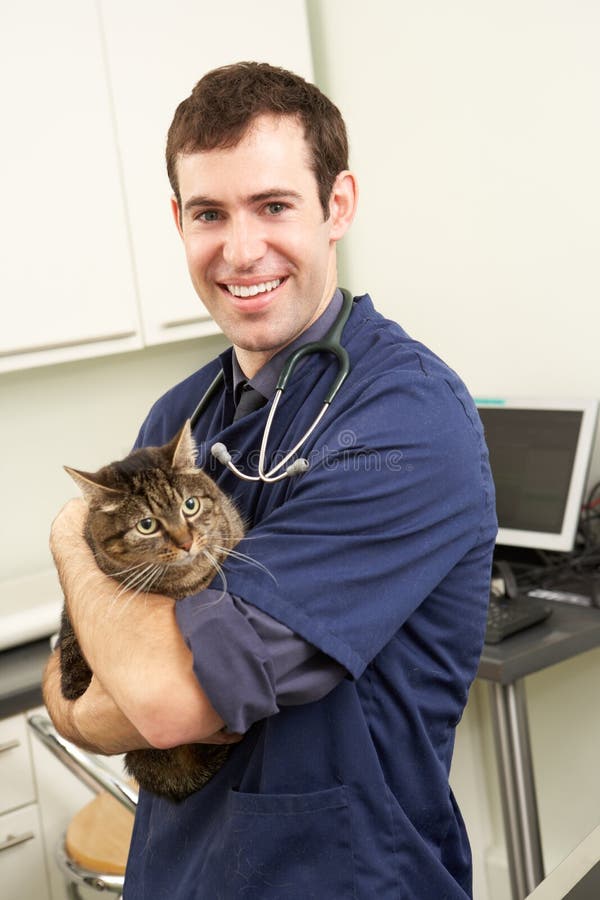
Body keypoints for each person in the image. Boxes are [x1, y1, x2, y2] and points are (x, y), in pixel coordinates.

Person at [45, 61, 497, 899]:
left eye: (274, 206)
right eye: (210, 213)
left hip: (341, 877)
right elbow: (82, 665)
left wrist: (69, 536)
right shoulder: (179, 417)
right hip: (181, 872)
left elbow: (167, 702)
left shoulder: (407, 422)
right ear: (178, 221)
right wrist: (96, 696)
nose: (241, 249)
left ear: (338, 207)